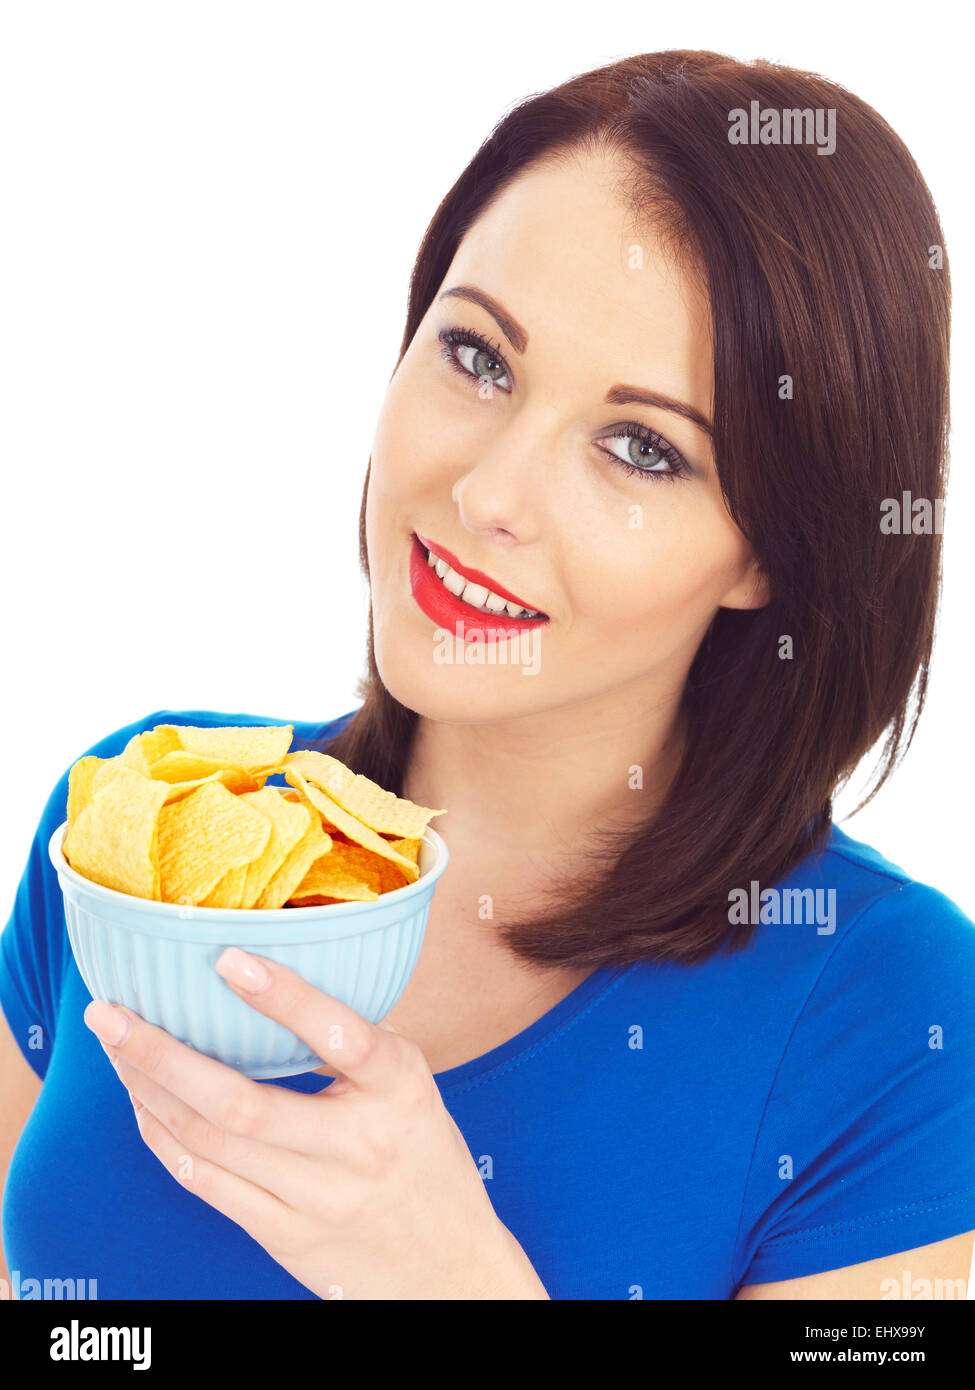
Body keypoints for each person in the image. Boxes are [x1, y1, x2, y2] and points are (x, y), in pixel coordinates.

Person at [2, 50, 974, 1301]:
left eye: (641, 448)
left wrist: (447, 1278)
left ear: (771, 550)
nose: (489, 494)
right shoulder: (140, 822)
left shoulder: (901, 1026)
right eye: (478, 357)